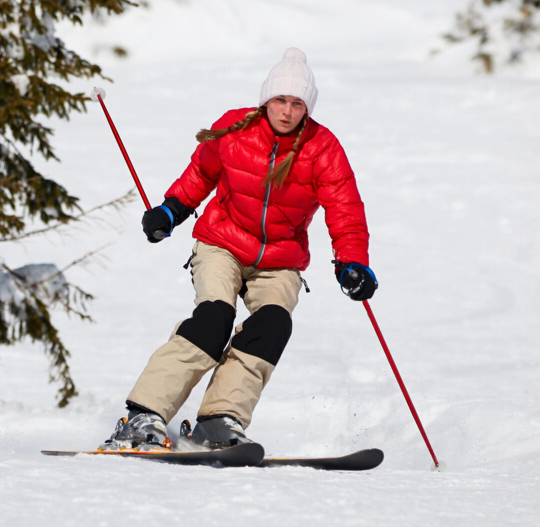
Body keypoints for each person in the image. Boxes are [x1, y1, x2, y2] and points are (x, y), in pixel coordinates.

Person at [101, 48, 378, 451]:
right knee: (214, 318)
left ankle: (219, 419)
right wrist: (170, 210)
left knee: (273, 325)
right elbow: (201, 172)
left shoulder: (323, 148)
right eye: (280, 100)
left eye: (297, 103)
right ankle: (143, 416)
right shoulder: (235, 128)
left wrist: (352, 264)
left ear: (307, 108)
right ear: (266, 100)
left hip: (280, 259)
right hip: (222, 242)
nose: (286, 111)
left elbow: (345, 209)